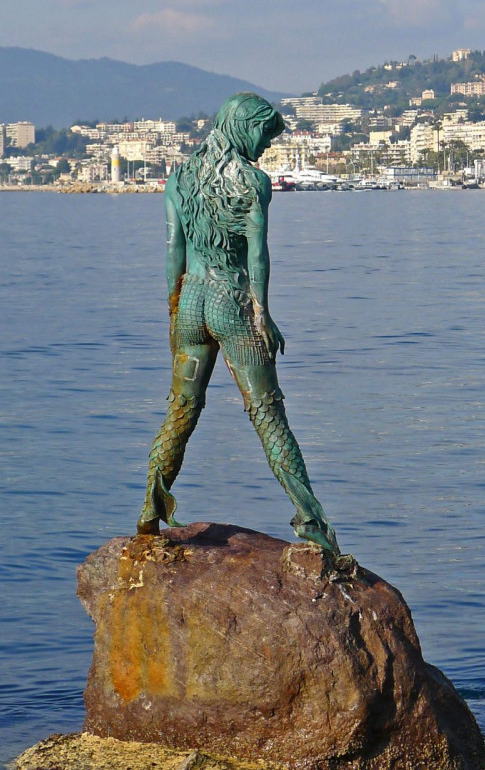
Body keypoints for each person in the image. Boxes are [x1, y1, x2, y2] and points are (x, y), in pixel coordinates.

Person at [136, 93, 340, 555]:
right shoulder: (252, 182)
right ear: (244, 127)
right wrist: (262, 313)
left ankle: (150, 508)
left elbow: (174, 253)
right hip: (231, 302)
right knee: (268, 416)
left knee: (181, 411)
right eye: (264, 136)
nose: (266, 147)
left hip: (190, 303)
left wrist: (174, 310)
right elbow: (258, 254)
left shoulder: (179, 178)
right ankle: (312, 523)